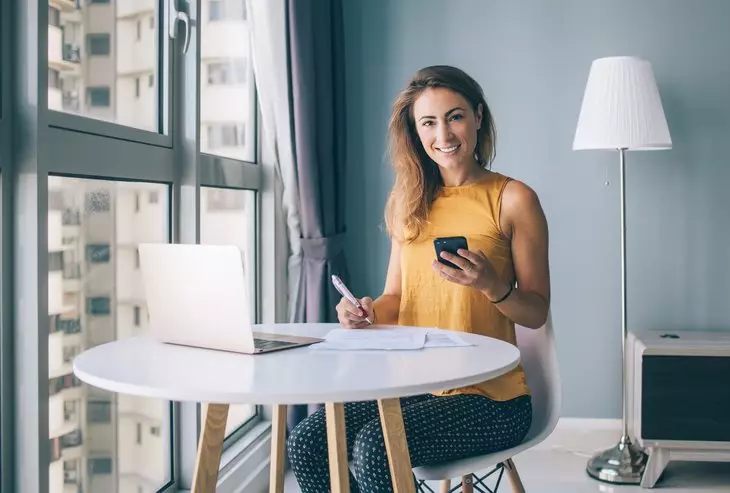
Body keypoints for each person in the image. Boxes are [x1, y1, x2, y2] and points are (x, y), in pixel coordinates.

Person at [287, 65, 551, 492]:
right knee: (308, 441)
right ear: (415, 130)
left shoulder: (514, 198)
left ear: (478, 117)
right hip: (413, 385)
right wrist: (367, 312)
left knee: (377, 447)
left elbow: (536, 311)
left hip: (490, 399)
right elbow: (396, 297)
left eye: (455, 116)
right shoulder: (407, 199)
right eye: (428, 122)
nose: (443, 135)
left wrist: (493, 286)